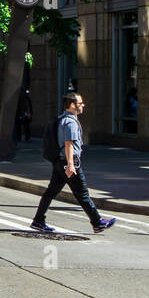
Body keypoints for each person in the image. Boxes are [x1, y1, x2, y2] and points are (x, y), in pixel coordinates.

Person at [30, 92, 115, 234]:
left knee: (51, 192)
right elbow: (68, 144)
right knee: (82, 194)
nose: (83, 105)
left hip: (59, 161)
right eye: (80, 103)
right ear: (72, 105)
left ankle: (38, 220)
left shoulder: (62, 118)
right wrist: (70, 164)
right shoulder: (70, 122)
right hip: (69, 162)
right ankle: (97, 222)